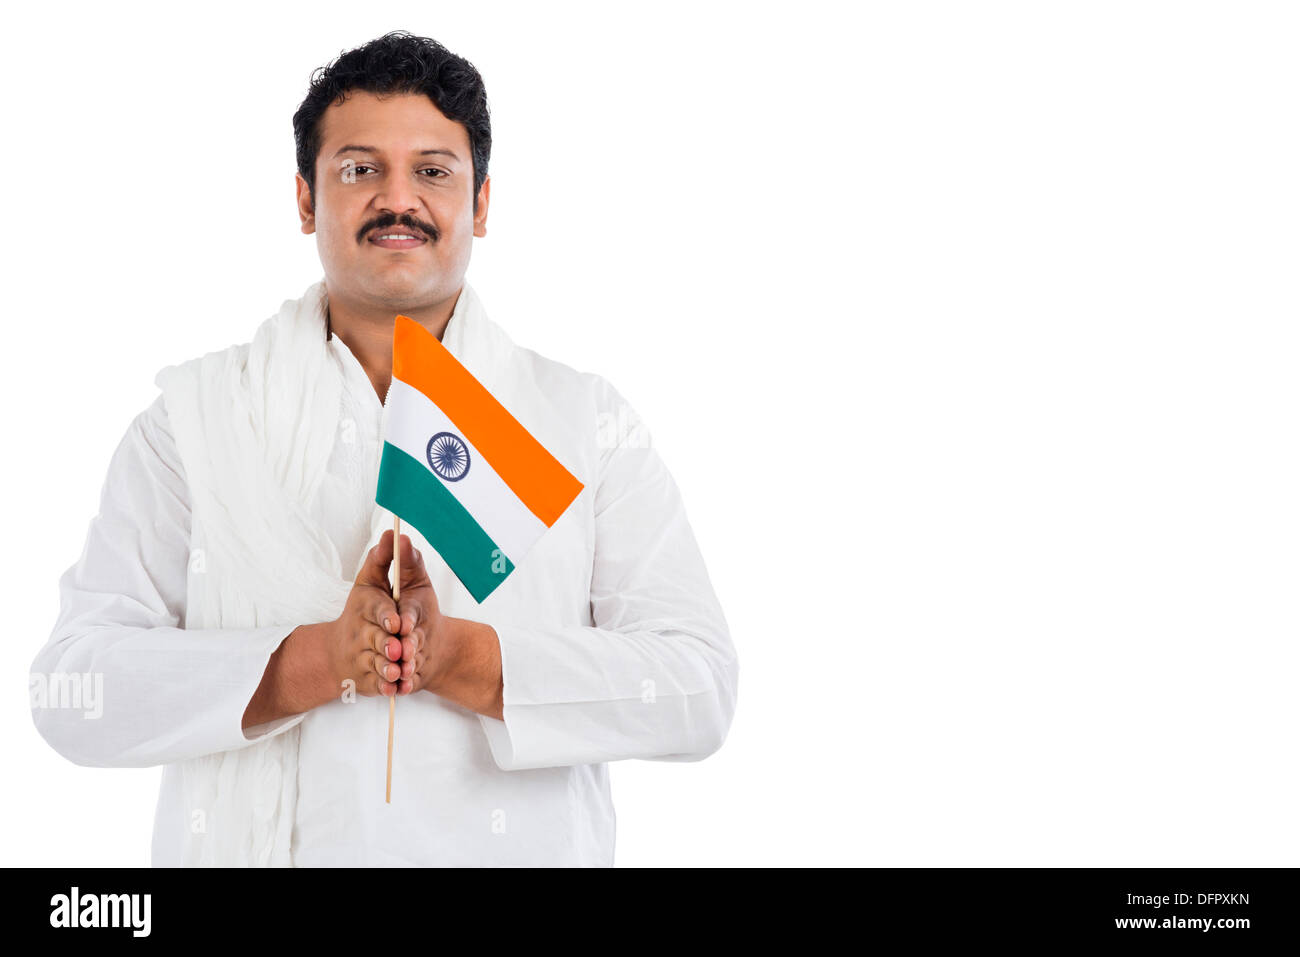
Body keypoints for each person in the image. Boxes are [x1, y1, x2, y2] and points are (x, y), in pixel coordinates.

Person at [29, 30, 738, 867]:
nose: (397, 199)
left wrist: (465, 659)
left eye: (433, 171)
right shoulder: (195, 422)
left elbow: (698, 688)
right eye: (359, 169)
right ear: (305, 200)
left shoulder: (581, 424)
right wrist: (312, 661)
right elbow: (72, 691)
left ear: (479, 204)